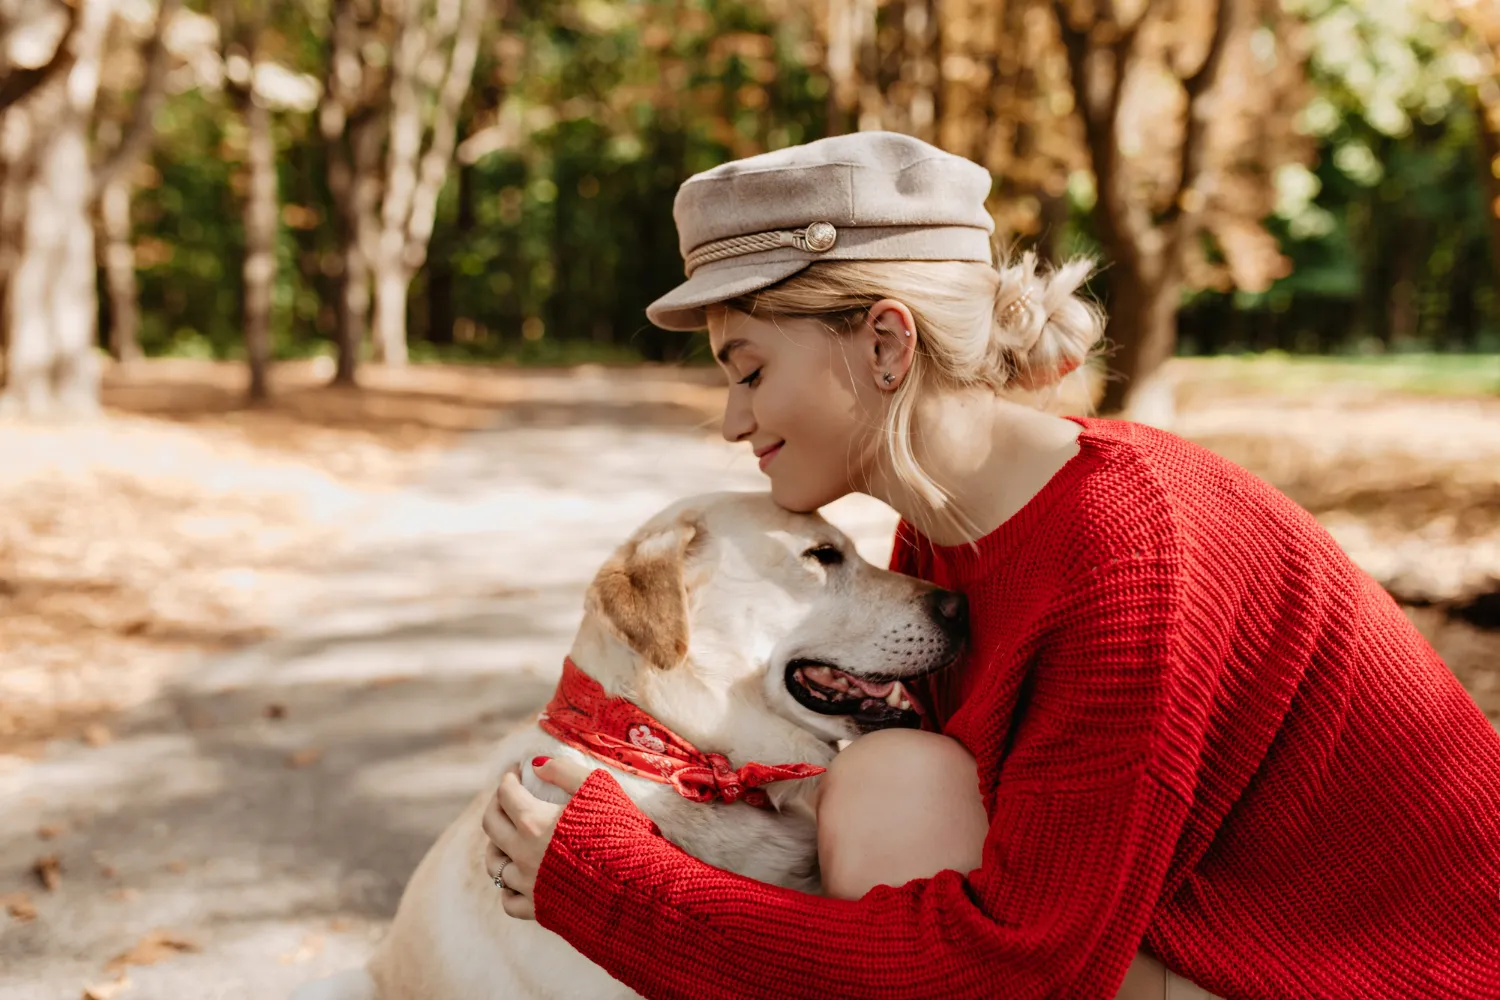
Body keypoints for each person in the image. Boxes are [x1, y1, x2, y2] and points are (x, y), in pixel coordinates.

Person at [477, 131, 1500, 999]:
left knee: (885, 794)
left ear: (885, 343)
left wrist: (619, 890)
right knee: (887, 777)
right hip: (1182, 938)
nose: (736, 418)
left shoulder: (1136, 554)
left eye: (749, 369)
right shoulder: (946, 534)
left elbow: (1021, 970)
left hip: (1376, 975)